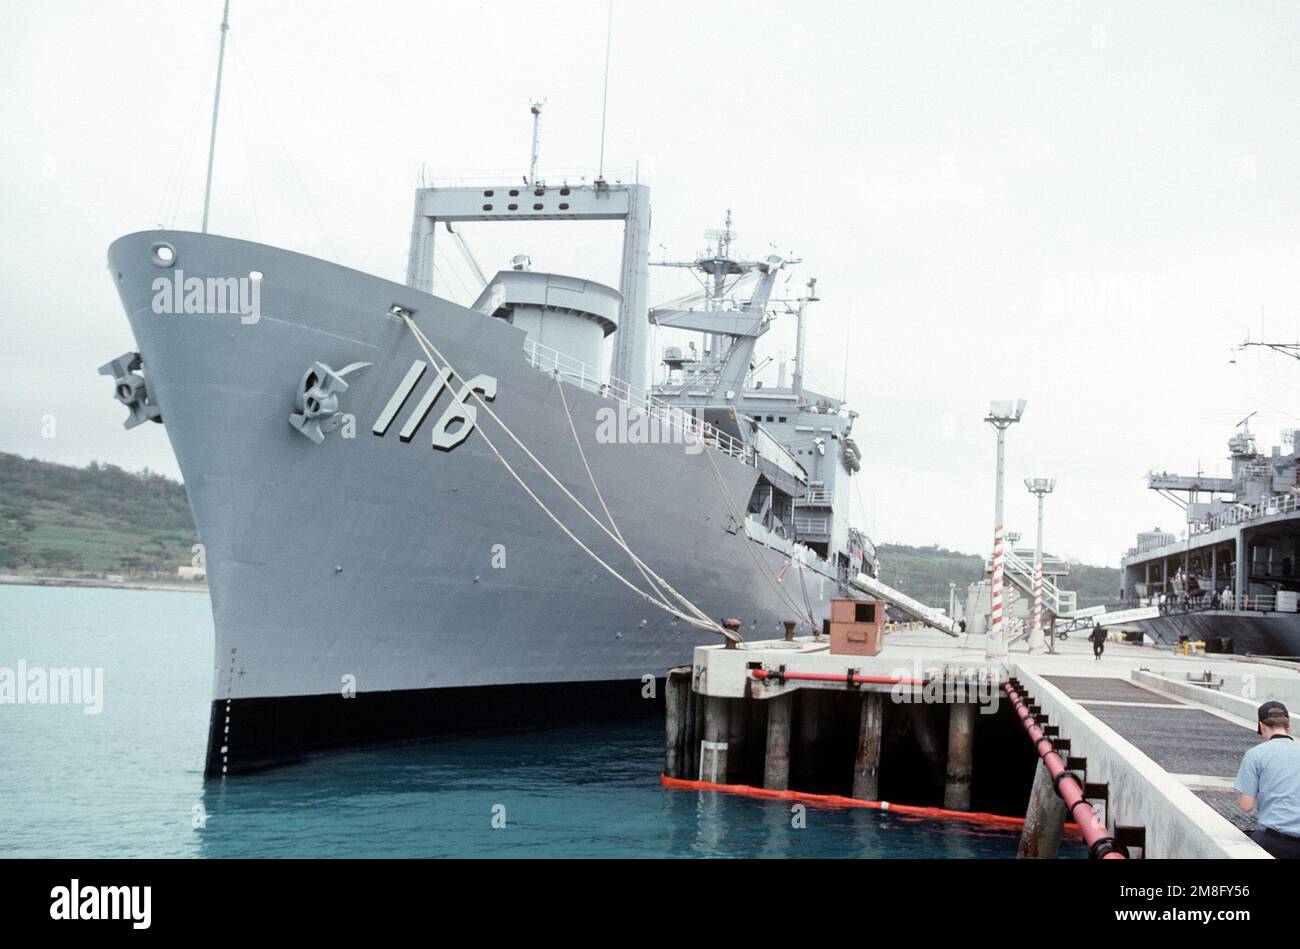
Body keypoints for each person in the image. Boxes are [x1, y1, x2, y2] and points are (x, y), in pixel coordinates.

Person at [1235, 701, 1300, 859]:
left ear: (1261, 726)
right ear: (1288, 727)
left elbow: (1246, 806)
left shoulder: (1255, 755)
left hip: (1275, 842)